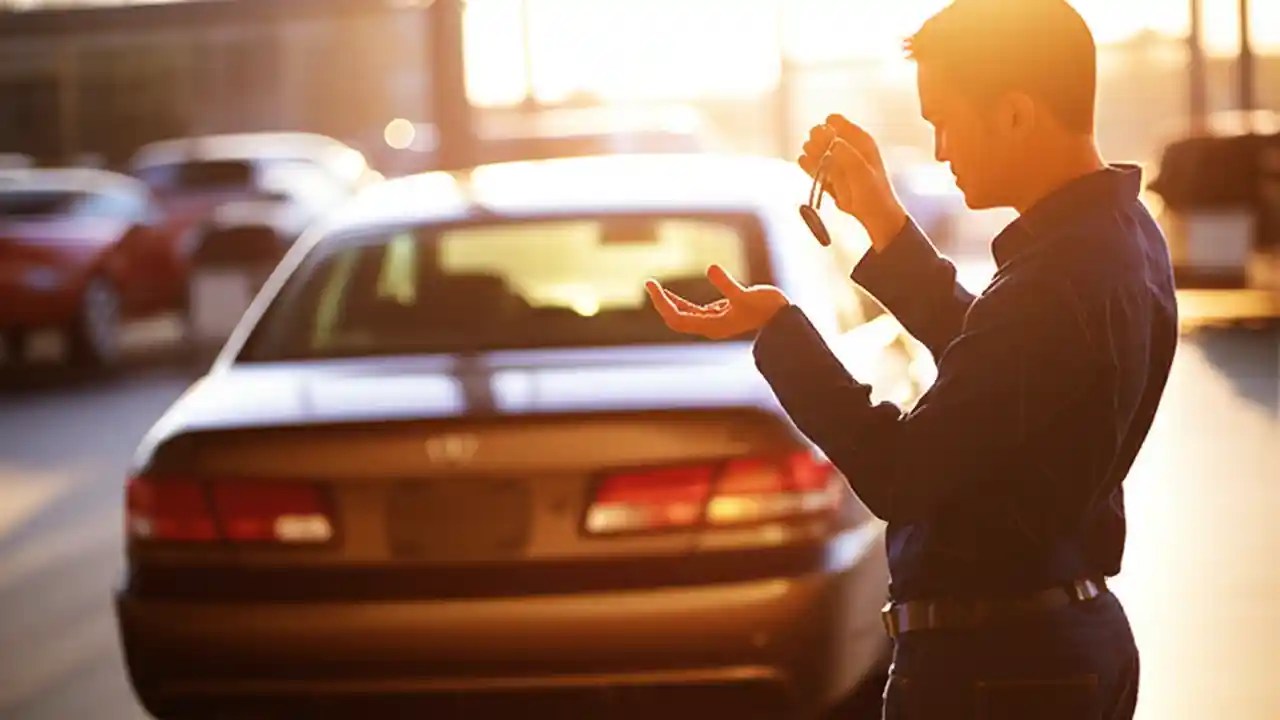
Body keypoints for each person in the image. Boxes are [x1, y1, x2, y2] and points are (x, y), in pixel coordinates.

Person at [644, 1, 1178, 718]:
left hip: (1000, 672)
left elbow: (902, 472)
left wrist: (781, 333)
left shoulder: (1058, 277)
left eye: (944, 121)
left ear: (1015, 113)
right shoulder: (1118, 235)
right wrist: (883, 222)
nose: (941, 149)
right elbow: (1003, 367)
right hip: (1049, 649)